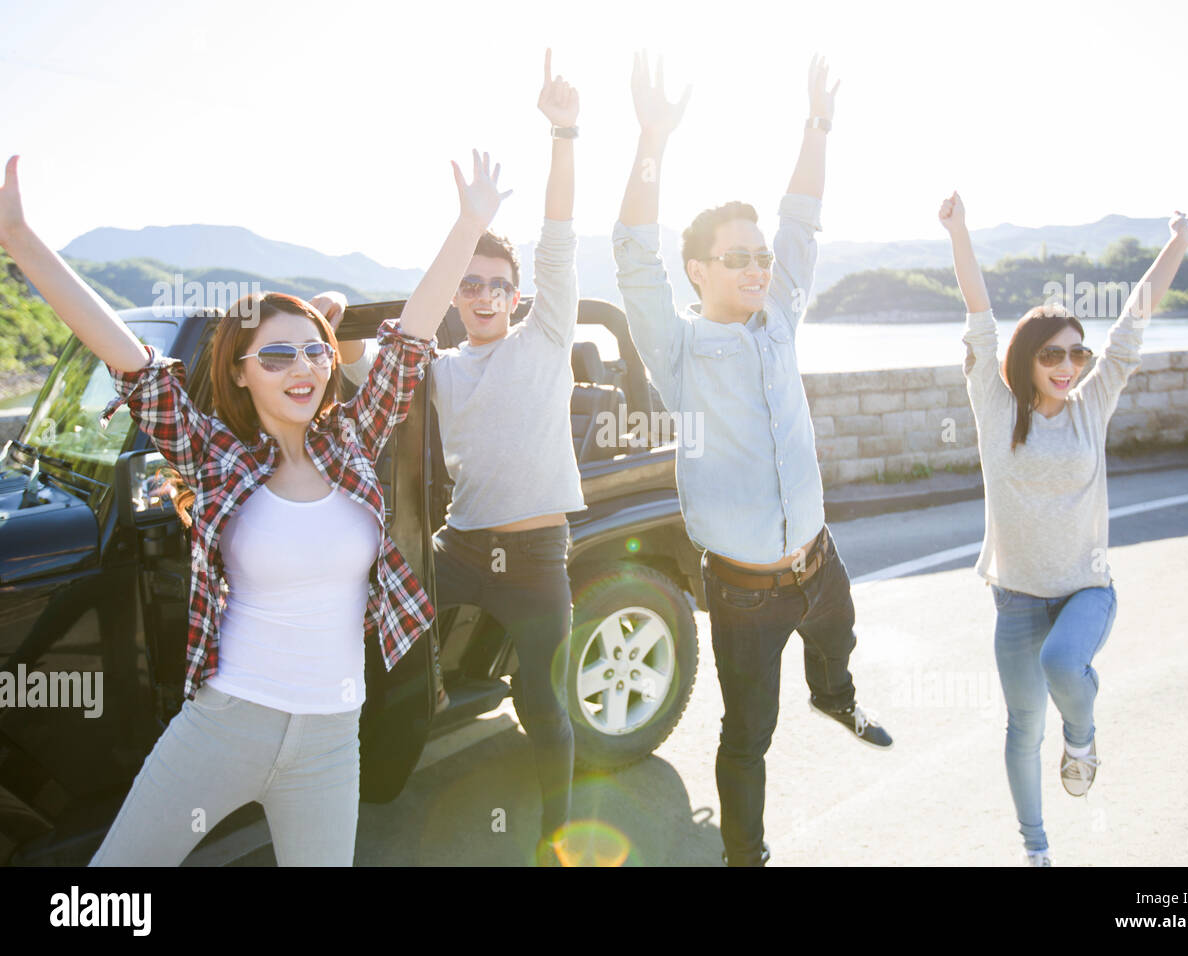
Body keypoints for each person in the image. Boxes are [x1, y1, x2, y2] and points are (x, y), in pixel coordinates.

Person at [0, 148, 511, 865]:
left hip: (333, 736)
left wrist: (469, 224)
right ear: (239, 375)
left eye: (313, 351)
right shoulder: (211, 456)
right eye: (275, 356)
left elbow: (411, 339)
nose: (301, 366)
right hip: (223, 727)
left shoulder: (352, 442)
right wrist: (20, 239)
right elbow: (127, 355)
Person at [611, 53, 893, 867]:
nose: (760, 268)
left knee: (838, 638)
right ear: (697, 271)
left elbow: (802, 218)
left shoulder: (780, 320)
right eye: (738, 259)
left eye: (761, 257)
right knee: (747, 735)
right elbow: (633, 253)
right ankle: (746, 855)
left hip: (819, 556)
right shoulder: (680, 350)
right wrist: (652, 137)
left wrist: (818, 122)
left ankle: (834, 698)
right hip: (742, 592)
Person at [339, 50, 582, 866]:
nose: (481, 296)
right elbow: (353, 375)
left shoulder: (546, 339)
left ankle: (556, 836)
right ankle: (364, 776)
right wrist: (329, 326)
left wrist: (563, 134)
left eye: (496, 285)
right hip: (462, 548)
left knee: (541, 699)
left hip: (539, 557)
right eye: (468, 283)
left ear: (517, 295)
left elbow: (559, 235)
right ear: (455, 295)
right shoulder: (438, 368)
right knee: (379, 639)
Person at [939, 190, 1188, 866]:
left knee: (1062, 665)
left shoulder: (1092, 405)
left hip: (1087, 588)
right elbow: (979, 315)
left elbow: (1133, 323)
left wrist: (1178, 242)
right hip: (1017, 597)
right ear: (1027, 356)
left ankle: (1081, 733)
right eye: (1054, 354)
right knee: (1023, 728)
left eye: (1076, 355)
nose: (1067, 366)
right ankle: (1036, 850)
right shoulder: (994, 408)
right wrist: (960, 229)